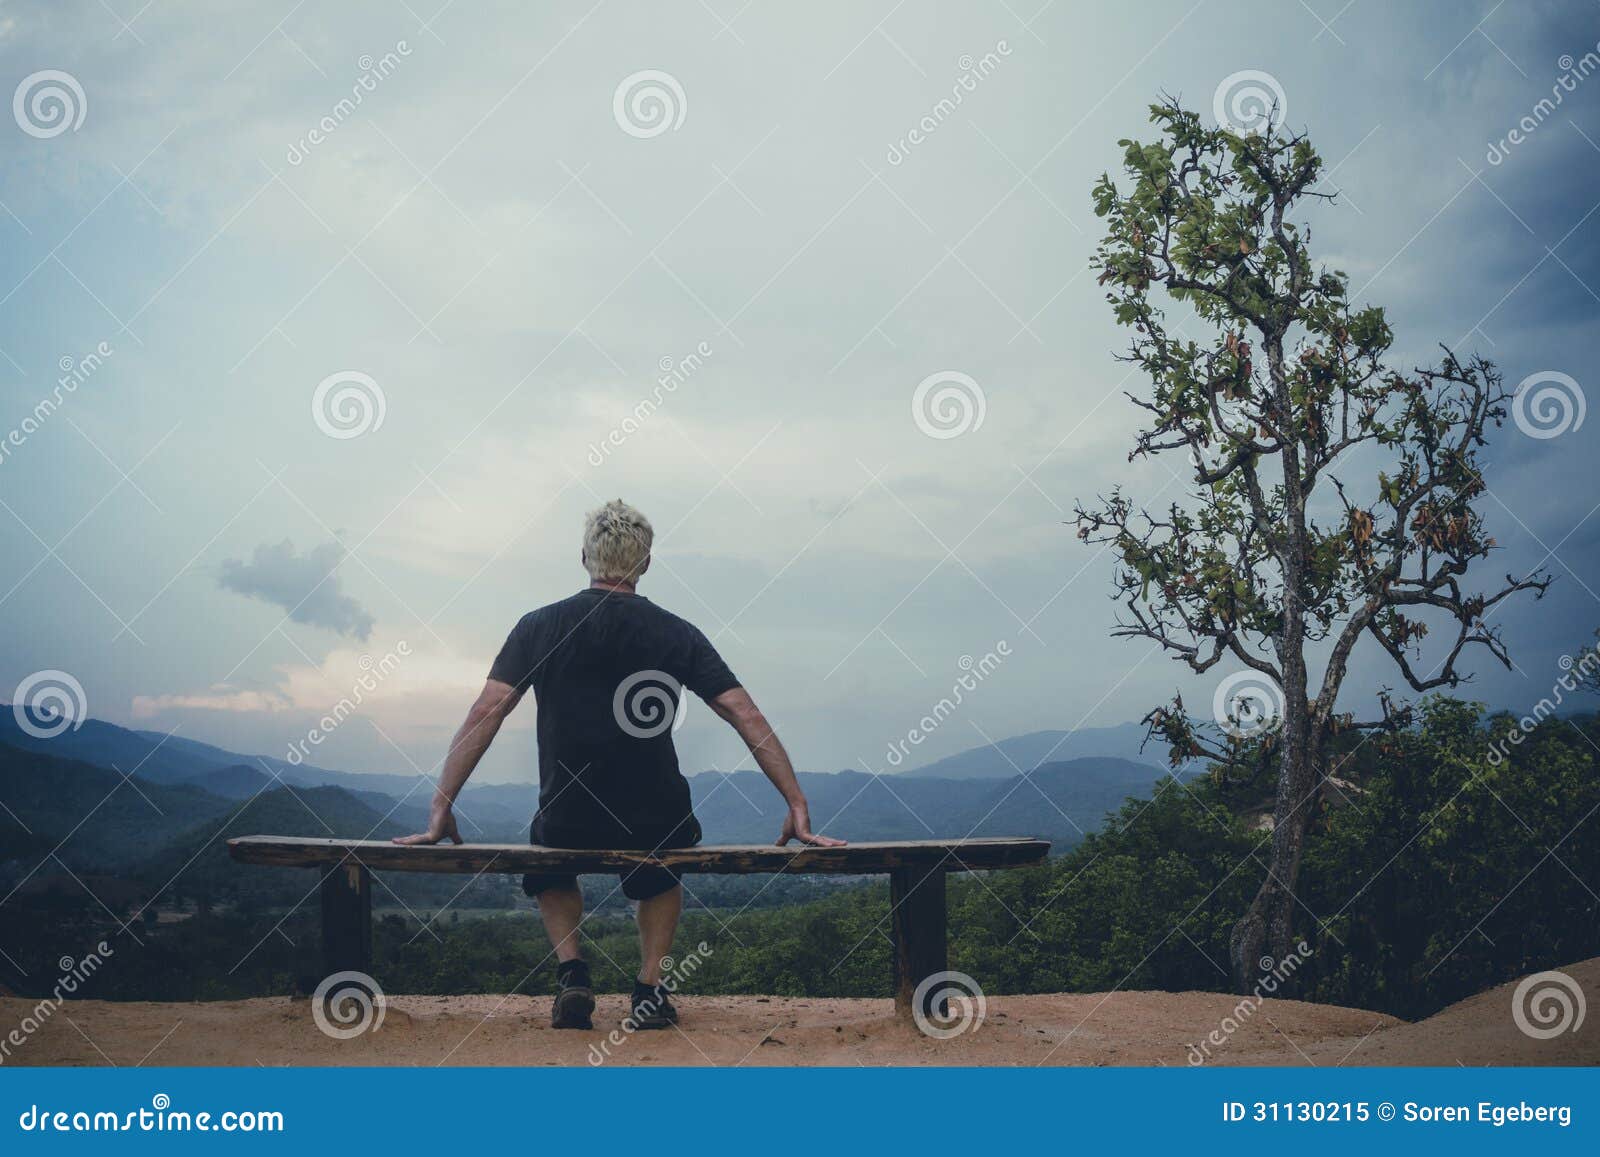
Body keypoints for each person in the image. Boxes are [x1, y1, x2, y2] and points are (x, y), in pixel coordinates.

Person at [394, 499, 844, 1029]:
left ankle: (572, 974)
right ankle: (649, 987)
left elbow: (487, 710)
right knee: (664, 862)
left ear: (584, 556)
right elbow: (742, 711)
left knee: (548, 854)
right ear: (646, 563)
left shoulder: (538, 626)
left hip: (567, 816)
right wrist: (795, 802)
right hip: (654, 819)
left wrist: (441, 805)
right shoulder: (677, 632)